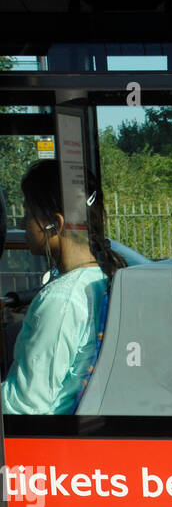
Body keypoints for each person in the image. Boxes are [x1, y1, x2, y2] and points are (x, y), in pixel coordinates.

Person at [0, 160, 120, 416]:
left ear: (55, 223)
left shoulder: (61, 299)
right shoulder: (99, 277)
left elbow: (26, 404)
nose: (22, 224)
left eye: (28, 212)